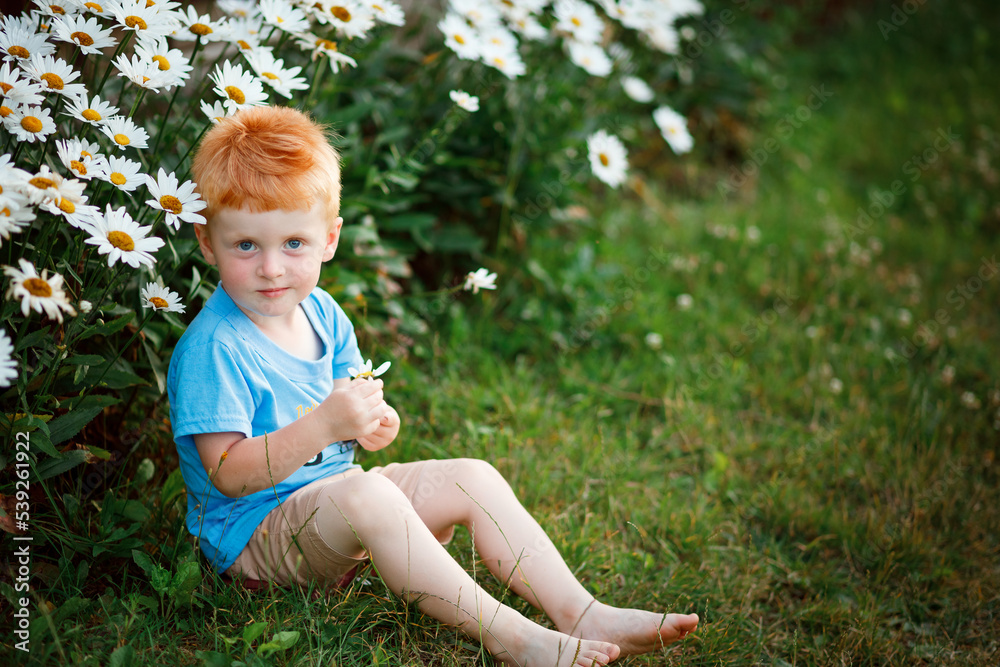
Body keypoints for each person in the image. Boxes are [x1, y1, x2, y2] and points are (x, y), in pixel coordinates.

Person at [166, 105, 699, 666]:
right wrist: (324, 424)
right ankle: (513, 637)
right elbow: (227, 475)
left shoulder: (321, 312)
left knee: (472, 476)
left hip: (336, 507)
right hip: (256, 539)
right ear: (207, 242)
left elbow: (355, 402)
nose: (272, 268)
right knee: (367, 492)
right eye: (246, 246)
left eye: (293, 244)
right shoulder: (216, 348)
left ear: (329, 239)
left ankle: (581, 609)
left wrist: (372, 422)